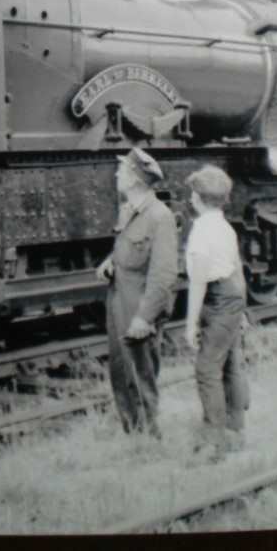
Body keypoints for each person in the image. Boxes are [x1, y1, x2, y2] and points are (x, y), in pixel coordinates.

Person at [96, 148, 178, 438]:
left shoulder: (160, 217)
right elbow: (131, 248)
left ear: (134, 180)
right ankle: (132, 434)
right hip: (120, 300)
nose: (117, 174)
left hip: (140, 306)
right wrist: (112, 261)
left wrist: (145, 317)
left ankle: (150, 438)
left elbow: (164, 274)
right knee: (121, 373)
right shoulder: (128, 210)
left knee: (141, 376)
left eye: (122, 171)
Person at [184, 164, 250, 460]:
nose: (189, 199)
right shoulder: (225, 227)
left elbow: (198, 281)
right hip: (232, 296)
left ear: (197, 198)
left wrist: (189, 324)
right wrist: (242, 309)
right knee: (231, 363)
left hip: (217, 298)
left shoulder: (201, 231)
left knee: (207, 368)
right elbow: (238, 270)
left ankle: (214, 441)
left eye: (191, 194)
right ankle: (235, 430)